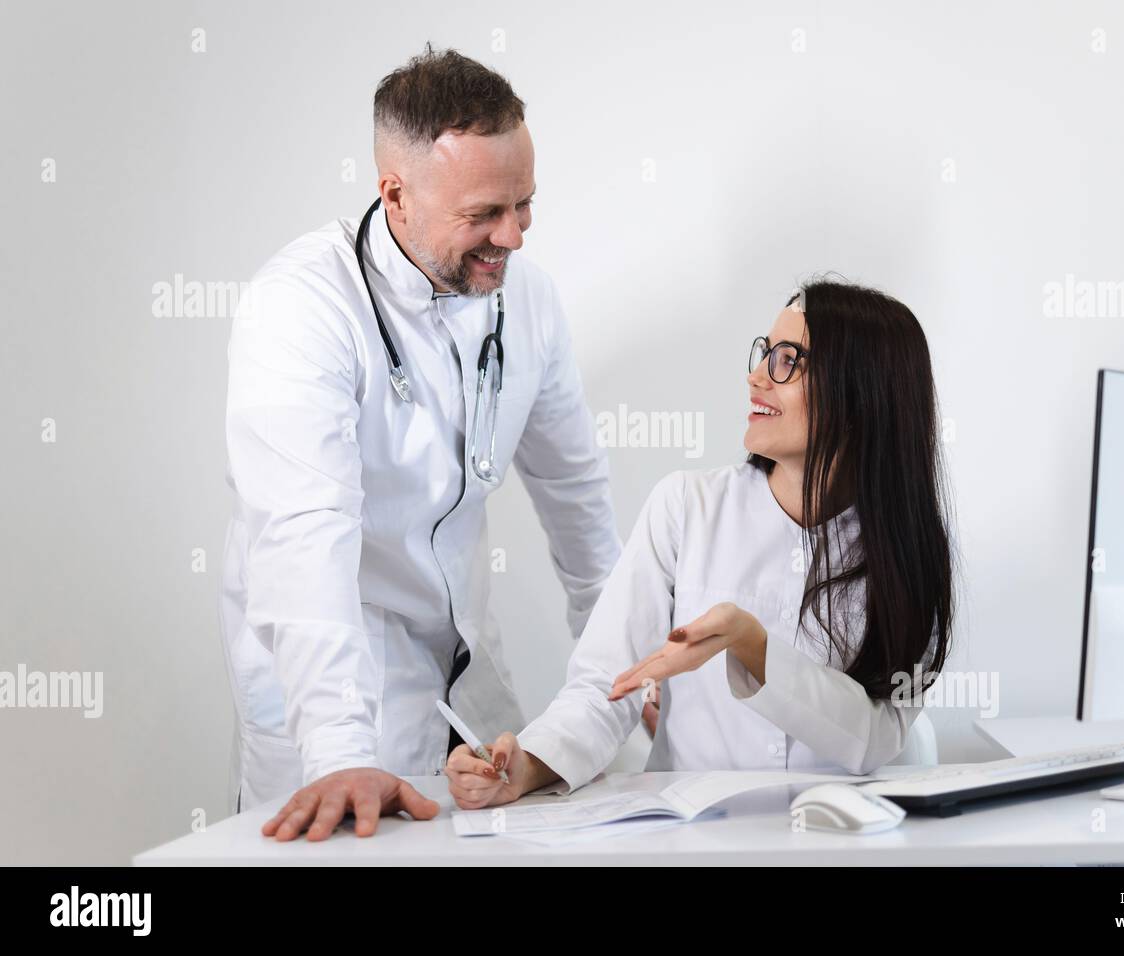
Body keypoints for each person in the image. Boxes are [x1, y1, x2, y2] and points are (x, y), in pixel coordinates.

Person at [222, 45, 623, 842]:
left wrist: (622, 667)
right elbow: (305, 539)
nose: (511, 236)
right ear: (395, 193)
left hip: (467, 677)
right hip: (340, 690)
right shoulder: (301, 309)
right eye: (483, 215)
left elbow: (579, 504)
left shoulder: (527, 302)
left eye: (525, 204)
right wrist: (338, 749)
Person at [445, 278, 957, 808]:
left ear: (861, 394)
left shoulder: (906, 551)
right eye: (764, 354)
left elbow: (877, 736)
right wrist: (526, 765)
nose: (757, 377)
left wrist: (752, 645)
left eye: (789, 360)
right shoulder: (687, 506)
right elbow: (607, 683)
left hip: (839, 837)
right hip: (692, 839)